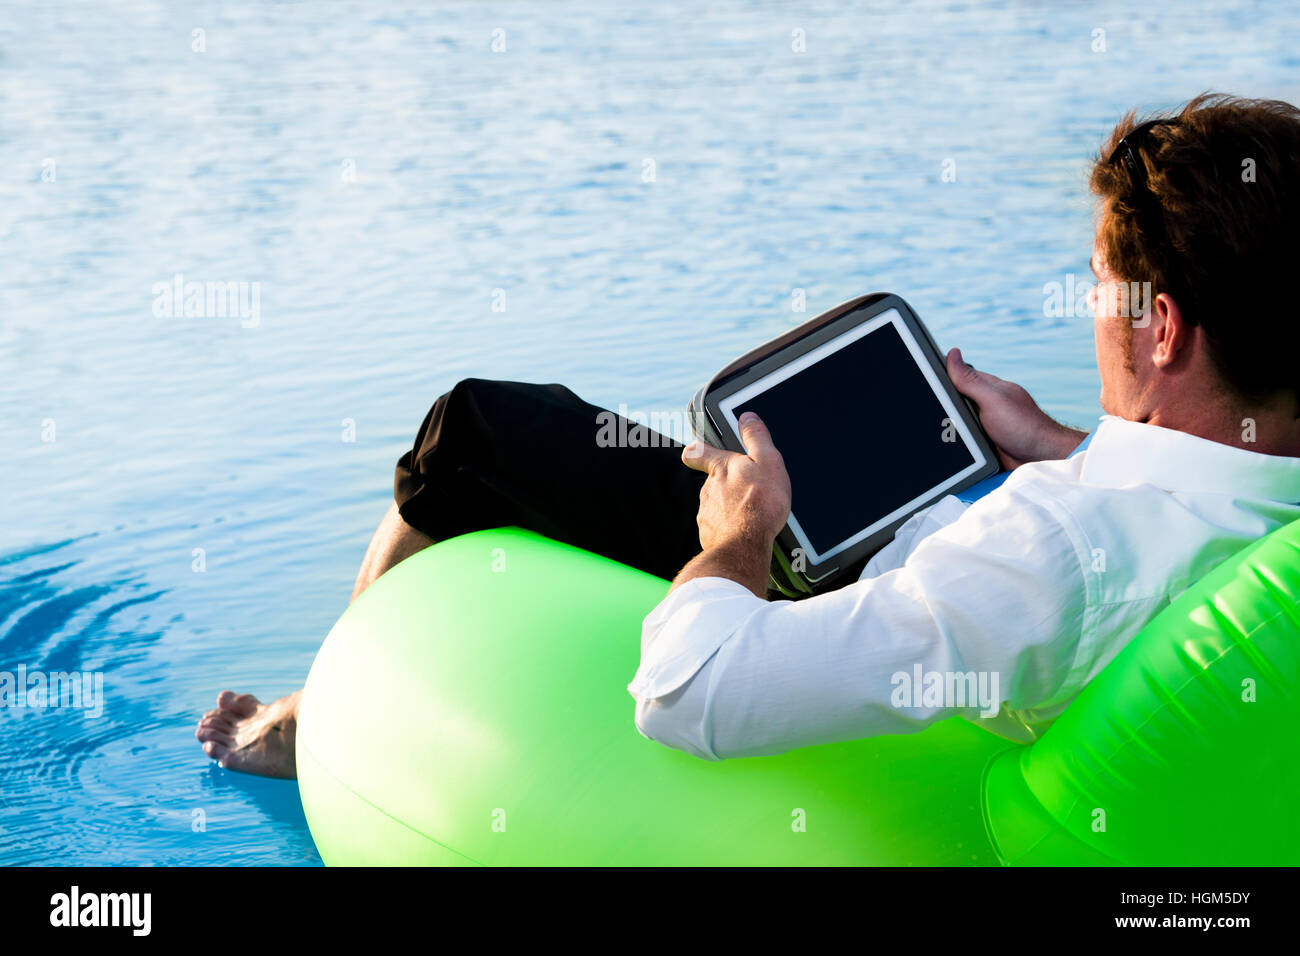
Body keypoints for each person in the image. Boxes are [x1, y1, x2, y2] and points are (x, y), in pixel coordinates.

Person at [197, 92, 1300, 776]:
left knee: (479, 427)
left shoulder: (1051, 552)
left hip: (867, 582)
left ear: (1161, 328)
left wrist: (738, 530)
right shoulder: (1260, 501)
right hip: (997, 521)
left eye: (1098, 291)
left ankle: (320, 721)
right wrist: (1055, 437)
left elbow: (693, 690)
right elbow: (1183, 502)